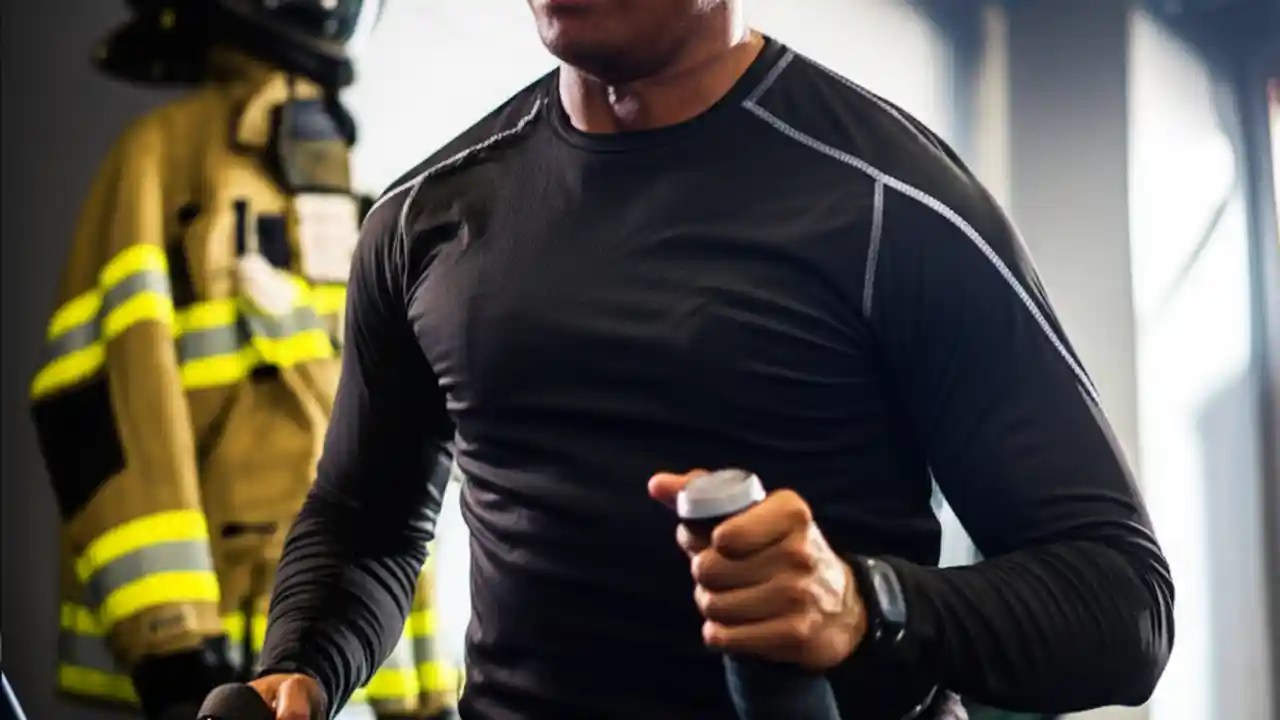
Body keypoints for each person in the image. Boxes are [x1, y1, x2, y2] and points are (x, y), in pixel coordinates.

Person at [246, 1, 1175, 718]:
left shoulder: (894, 206)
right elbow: (366, 522)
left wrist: (864, 606)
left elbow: (1123, 604)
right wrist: (298, 668)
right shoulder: (420, 221)